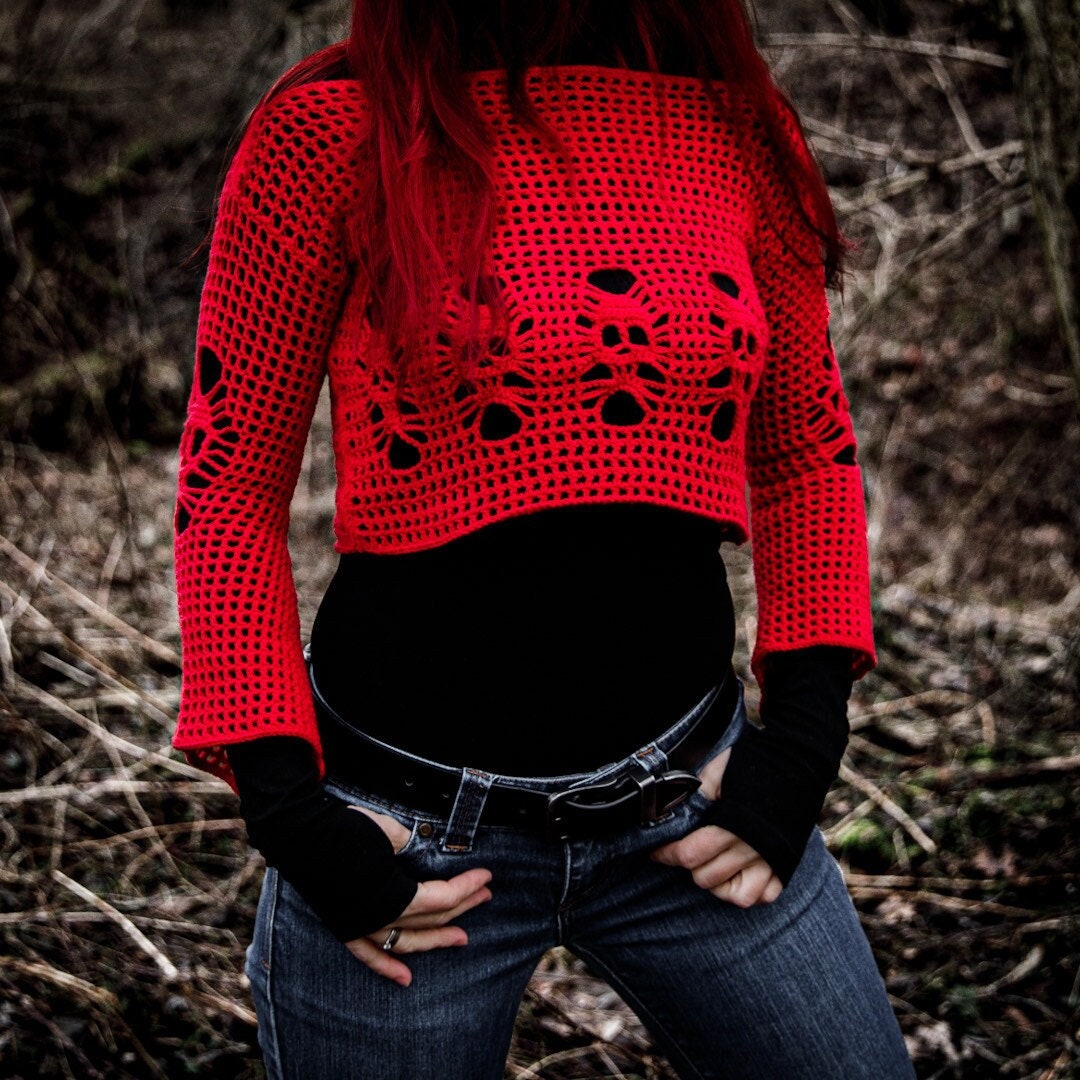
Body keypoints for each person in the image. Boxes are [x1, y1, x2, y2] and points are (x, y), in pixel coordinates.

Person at [171, 1, 915, 1076]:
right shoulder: (333, 130)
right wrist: (290, 813)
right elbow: (228, 486)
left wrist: (802, 746)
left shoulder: (738, 128)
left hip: (691, 804)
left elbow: (806, 456)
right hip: (405, 841)